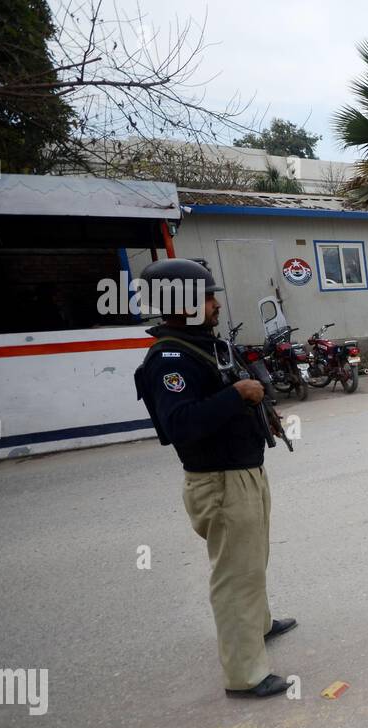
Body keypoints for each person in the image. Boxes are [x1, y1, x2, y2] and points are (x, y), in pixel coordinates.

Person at [134, 258, 296, 699]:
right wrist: (236, 395)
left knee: (252, 560)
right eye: (206, 296)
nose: (215, 304)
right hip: (220, 482)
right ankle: (245, 674)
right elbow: (180, 426)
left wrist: (262, 410)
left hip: (244, 472)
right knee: (234, 575)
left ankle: (258, 626)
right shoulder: (169, 359)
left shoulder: (198, 344)